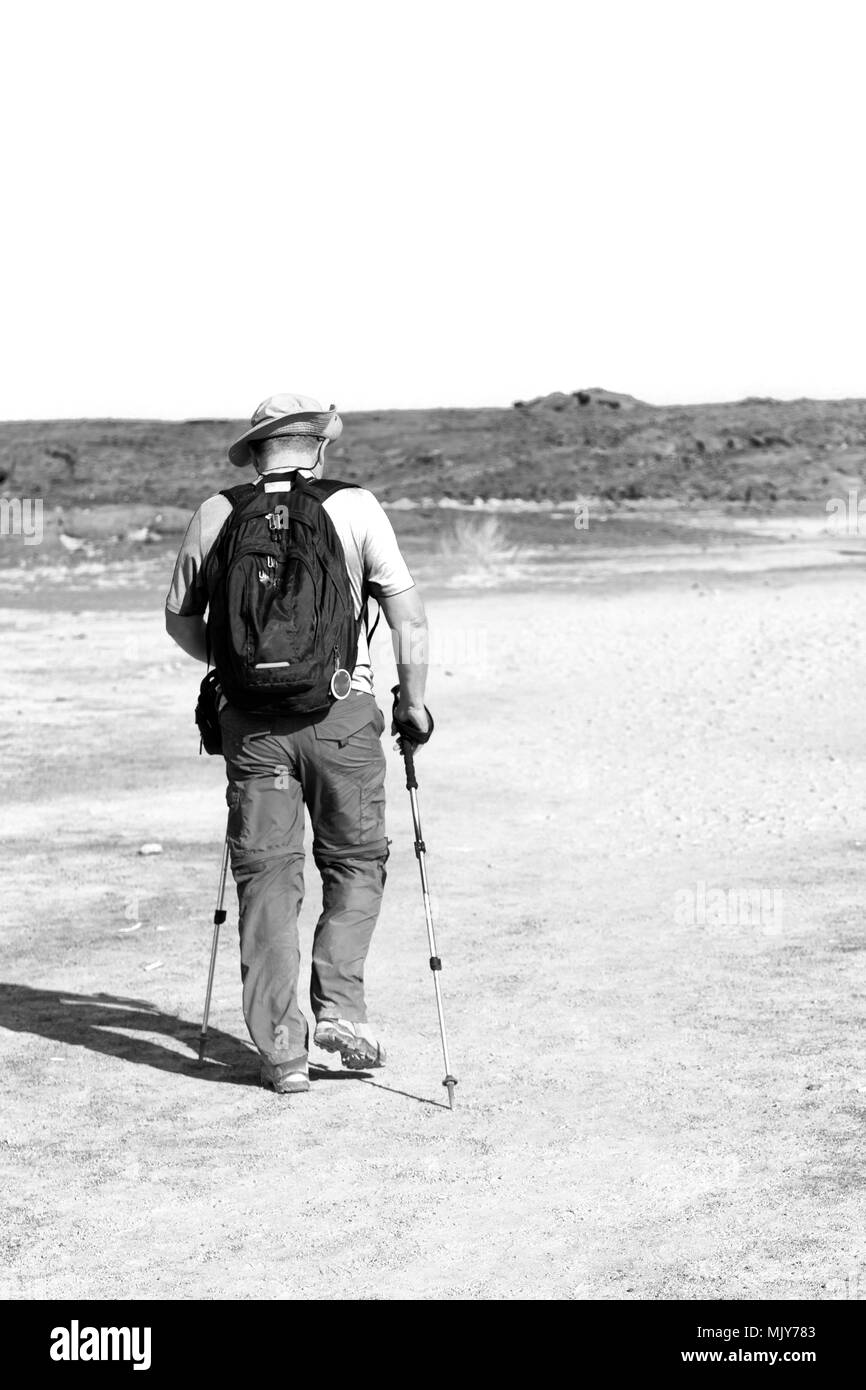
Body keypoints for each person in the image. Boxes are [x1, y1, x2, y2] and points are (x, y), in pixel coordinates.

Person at [165, 393, 430, 1095]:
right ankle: (341, 1007)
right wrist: (414, 700)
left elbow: (180, 623)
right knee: (355, 861)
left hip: (252, 729)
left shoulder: (217, 513)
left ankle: (282, 1053)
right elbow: (409, 615)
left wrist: (238, 669)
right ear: (317, 447)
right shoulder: (356, 507)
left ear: (254, 451)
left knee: (268, 880)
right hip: (342, 716)